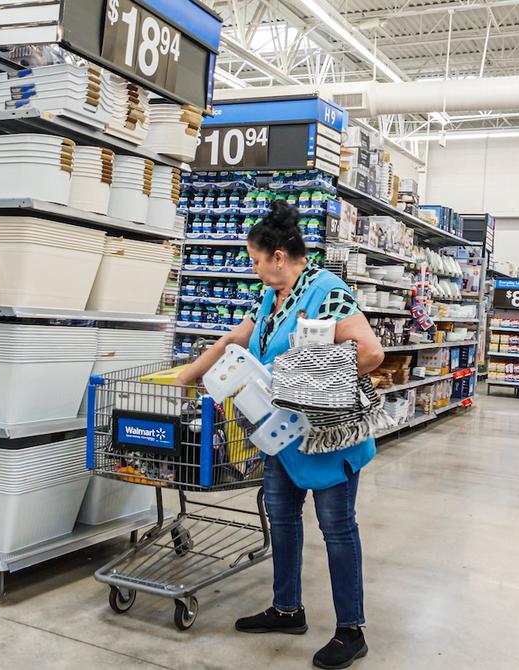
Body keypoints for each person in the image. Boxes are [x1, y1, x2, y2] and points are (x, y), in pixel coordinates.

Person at [175, 200, 385, 669]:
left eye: (255, 260)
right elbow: (233, 339)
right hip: (281, 437)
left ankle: (351, 630)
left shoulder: (327, 291)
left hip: (329, 439)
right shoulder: (271, 298)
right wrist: (186, 378)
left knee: (337, 529)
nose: (253, 270)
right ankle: (287, 608)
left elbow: (370, 354)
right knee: (283, 520)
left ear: (278, 255)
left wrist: (303, 375)